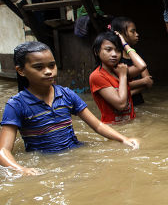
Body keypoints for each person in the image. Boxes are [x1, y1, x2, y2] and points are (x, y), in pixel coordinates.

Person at [0, 42, 139, 175]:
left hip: (76, 153)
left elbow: (97, 125)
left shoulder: (66, 94)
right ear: (21, 71)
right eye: (39, 67)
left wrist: (123, 139)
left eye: (52, 65)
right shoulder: (16, 105)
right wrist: (20, 169)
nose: (48, 71)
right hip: (46, 164)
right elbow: (3, 150)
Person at [89, 30, 148, 124]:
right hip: (114, 128)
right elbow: (121, 105)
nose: (114, 54)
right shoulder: (97, 76)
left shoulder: (120, 70)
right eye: (108, 50)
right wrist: (123, 76)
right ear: (96, 52)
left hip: (131, 124)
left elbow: (142, 66)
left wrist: (125, 44)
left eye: (118, 50)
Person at [110, 16, 153, 105]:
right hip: (122, 103)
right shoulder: (115, 58)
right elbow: (115, 86)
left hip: (138, 102)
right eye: (132, 31)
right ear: (120, 34)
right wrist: (142, 81)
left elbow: (149, 82)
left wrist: (131, 92)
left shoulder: (137, 55)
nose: (137, 34)